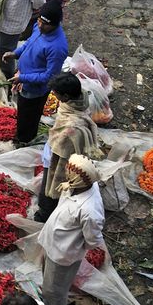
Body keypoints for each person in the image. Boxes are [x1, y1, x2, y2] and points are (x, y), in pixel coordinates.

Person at [38, 154, 104, 305]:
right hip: (53, 242)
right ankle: (48, 300)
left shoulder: (90, 210)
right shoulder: (76, 185)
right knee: (48, 281)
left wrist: (76, 247)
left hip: (63, 253)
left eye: (69, 171)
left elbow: (93, 238)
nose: (65, 172)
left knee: (55, 291)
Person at [38, 72, 101, 222]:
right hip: (55, 149)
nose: (54, 96)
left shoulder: (71, 127)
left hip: (59, 159)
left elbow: (61, 152)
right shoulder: (81, 98)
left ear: (65, 96)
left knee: (51, 187)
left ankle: (45, 215)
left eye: (56, 93)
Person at [4, 0, 67, 145]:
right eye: (39, 21)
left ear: (55, 24)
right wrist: (15, 54)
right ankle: (22, 132)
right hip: (24, 80)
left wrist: (23, 78)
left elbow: (49, 77)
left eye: (45, 24)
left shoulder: (58, 47)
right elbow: (28, 44)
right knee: (23, 112)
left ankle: (24, 140)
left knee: (29, 116)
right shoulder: (39, 28)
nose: (40, 25)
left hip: (35, 89)